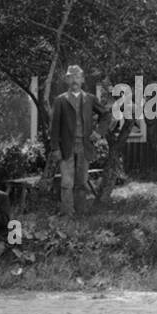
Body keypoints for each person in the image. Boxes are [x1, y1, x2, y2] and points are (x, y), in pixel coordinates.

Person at [49, 64, 110, 217]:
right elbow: (54, 127)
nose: (74, 80)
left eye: (77, 77)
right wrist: (55, 148)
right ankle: (67, 214)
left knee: (81, 183)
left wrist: (98, 132)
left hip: (84, 146)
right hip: (66, 147)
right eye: (71, 77)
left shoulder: (90, 99)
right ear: (66, 80)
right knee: (66, 183)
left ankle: (80, 215)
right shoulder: (60, 100)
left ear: (82, 79)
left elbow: (106, 115)